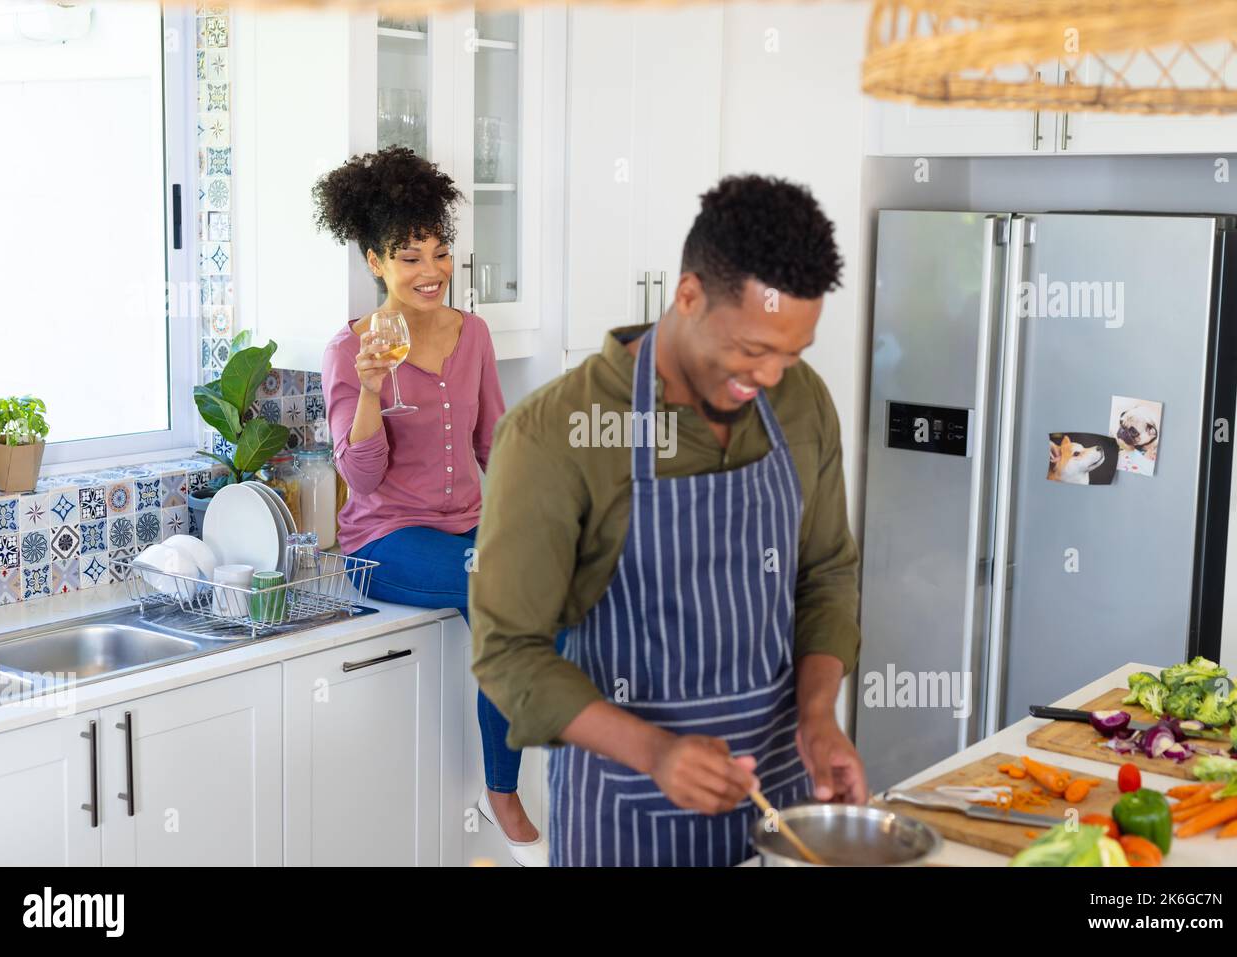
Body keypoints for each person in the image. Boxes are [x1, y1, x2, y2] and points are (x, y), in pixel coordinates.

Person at [469, 174, 868, 866]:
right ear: (687, 296)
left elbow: (827, 572)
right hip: (625, 811)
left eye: (791, 352)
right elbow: (508, 650)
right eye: (751, 349)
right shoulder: (554, 433)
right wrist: (656, 751)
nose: (772, 375)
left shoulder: (801, 403)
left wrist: (818, 715)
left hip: (779, 802)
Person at [314, 147, 546, 865]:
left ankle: (534, 774)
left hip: (467, 531)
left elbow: (495, 441)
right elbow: (362, 476)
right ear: (375, 260)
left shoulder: (471, 333)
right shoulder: (351, 350)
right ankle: (504, 792)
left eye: (441, 253)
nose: (431, 271)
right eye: (410, 256)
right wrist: (373, 391)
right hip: (385, 540)